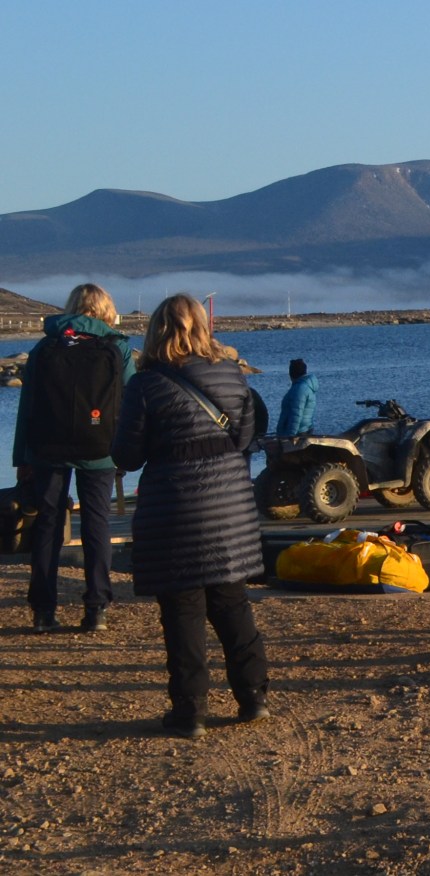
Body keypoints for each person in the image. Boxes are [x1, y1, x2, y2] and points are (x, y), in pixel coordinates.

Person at [110, 294, 269, 738]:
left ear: (156, 331)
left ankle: (191, 711)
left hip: (173, 510)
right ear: (202, 326)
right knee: (232, 603)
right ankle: (253, 697)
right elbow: (245, 438)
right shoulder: (233, 374)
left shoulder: (145, 384)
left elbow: (127, 455)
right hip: (230, 508)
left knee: (182, 612)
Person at [13, 283, 131, 632]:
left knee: (48, 523)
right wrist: (128, 452)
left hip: (47, 448)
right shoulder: (118, 347)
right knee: (97, 523)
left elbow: (27, 405)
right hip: (101, 449)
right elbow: (129, 402)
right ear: (106, 309)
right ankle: (96, 609)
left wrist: (22, 457)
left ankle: (43, 611)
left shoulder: (45, 346)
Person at [275, 357, 318, 438]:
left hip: (298, 433)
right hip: (303, 430)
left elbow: (296, 414)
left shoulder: (299, 389)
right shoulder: (305, 386)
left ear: (291, 373)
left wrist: (290, 436)